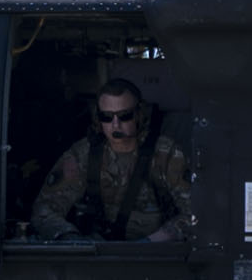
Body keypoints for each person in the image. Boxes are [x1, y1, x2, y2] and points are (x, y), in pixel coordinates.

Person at [27, 77, 191, 242]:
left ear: (139, 114)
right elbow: (44, 209)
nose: (115, 125)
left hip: (155, 252)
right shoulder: (82, 154)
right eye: (106, 117)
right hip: (95, 253)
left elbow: (195, 213)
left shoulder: (166, 154)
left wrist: (155, 240)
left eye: (125, 115)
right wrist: (72, 240)